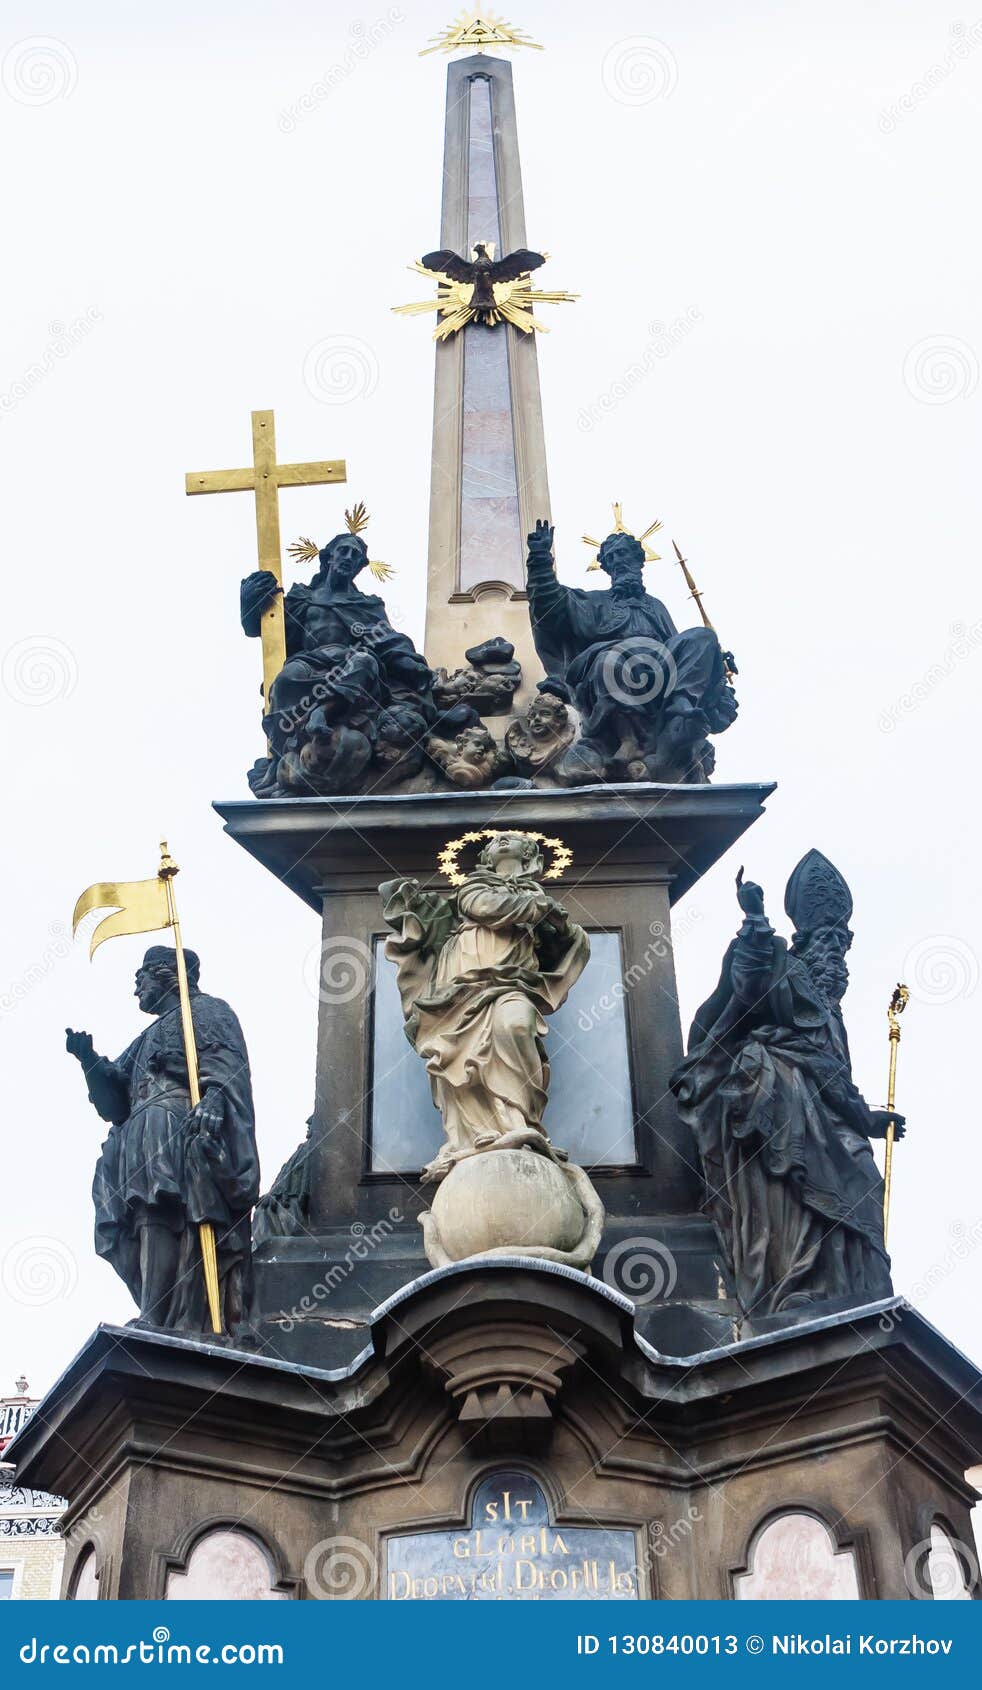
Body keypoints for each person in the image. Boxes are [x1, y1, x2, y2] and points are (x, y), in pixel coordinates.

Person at [671, 858, 905, 1318]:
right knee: (800, 1188)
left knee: (862, 1185)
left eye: (843, 942)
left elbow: (834, 1071)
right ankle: (796, 1284)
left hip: (831, 1114)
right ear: (806, 940)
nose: (838, 951)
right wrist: (756, 921)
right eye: (830, 940)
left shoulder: (830, 1006)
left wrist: (866, 1117)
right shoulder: (784, 963)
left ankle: (848, 1286)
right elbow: (749, 983)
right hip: (780, 1099)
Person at [65, 946, 259, 1333]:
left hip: (172, 1124)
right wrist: (89, 1062)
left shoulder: (207, 1012)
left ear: (168, 974)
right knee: (138, 1220)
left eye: (142, 977)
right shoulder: (144, 1037)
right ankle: (158, 1310)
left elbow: (230, 1070)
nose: (136, 988)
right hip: (134, 1134)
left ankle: (157, 1315)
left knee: (157, 1209)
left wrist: (215, 1098)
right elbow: (115, 1106)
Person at [380, 832, 589, 1183]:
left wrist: (563, 929)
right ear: (487, 857)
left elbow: (559, 948)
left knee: (516, 1026)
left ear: (531, 856)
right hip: (461, 980)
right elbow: (485, 908)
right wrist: (542, 909)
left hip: (513, 979)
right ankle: (474, 1133)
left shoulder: (537, 896)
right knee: (457, 1056)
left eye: (513, 839)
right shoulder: (475, 886)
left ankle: (519, 1124)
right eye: (497, 840)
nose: (504, 839)